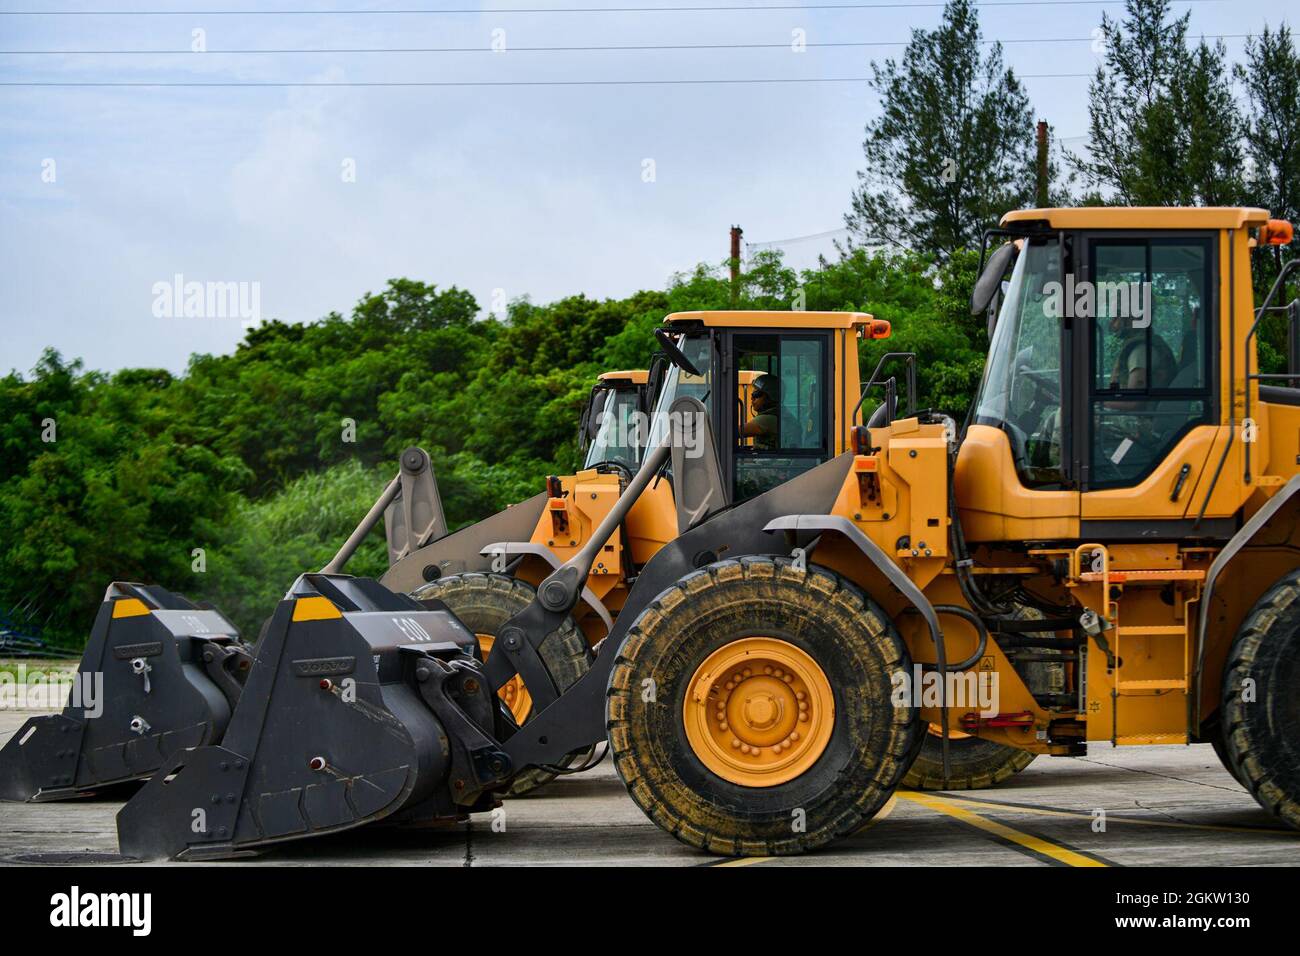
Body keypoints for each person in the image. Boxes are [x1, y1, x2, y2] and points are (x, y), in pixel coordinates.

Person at [741, 373, 782, 449]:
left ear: (770, 397)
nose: (752, 398)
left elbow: (738, 431)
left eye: (756, 394)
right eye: (752, 394)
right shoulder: (779, 414)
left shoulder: (768, 419)